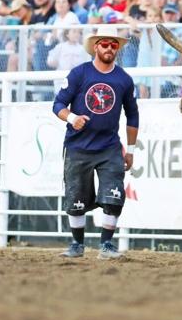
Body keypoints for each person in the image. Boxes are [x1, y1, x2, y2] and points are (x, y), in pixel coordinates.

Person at [53, 25, 139, 260]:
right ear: (95, 47)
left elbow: (133, 115)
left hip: (109, 147)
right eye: (105, 44)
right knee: (76, 198)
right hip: (77, 146)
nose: (109, 48)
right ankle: (77, 244)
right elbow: (58, 104)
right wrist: (72, 118)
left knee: (114, 196)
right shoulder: (79, 74)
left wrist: (130, 150)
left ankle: (106, 245)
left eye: (114, 45)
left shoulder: (124, 79)